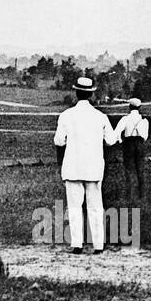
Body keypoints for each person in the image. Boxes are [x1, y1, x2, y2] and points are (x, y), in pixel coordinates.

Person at [53, 76, 119, 254]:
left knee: (74, 207)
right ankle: (98, 244)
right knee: (96, 206)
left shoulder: (66, 115)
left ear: (76, 93)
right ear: (90, 94)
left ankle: (77, 244)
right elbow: (111, 141)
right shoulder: (100, 116)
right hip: (93, 167)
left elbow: (59, 141)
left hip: (73, 167)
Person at [115, 98, 149, 199]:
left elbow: (117, 132)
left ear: (130, 107)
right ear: (139, 107)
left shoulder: (125, 119)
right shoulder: (144, 120)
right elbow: (145, 136)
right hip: (139, 143)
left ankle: (129, 194)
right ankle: (141, 194)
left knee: (129, 169)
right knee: (140, 169)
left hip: (128, 143)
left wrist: (121, 140)